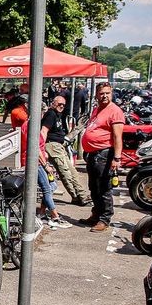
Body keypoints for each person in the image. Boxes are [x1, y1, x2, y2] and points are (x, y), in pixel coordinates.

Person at [80, 83, 124, 232]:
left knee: (104, 188)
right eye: (101, 93)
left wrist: (116, 158)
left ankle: (104, 219)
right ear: (96, 95)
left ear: (111, 94)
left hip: (104, 154)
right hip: (93, 154)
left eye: (107, 93)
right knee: (93, 187)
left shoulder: (115, 111)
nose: (104, 96)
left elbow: (118, 137)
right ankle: (96, 214)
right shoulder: (97, 109)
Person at [40, 95, 88, 205]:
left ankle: (81, 195)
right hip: (52, 146)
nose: (61, 106)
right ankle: (78, 197)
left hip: (59, 146)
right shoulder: (51, 114)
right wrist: (42, 149)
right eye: (59, 104)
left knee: (72, 172)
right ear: (53, 103)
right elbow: (43, 131)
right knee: (65, 172)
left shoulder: (57, 115)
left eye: (63, 105)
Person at [22, 124, 69, 229]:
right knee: (47, 188)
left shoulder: (33, 125)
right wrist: (45, 165)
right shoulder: (30, 126)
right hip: (35, 163)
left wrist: (45, 155)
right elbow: (36, 148)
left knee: (51, 186)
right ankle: (55, 217)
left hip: (38, 162)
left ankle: (42, 213)